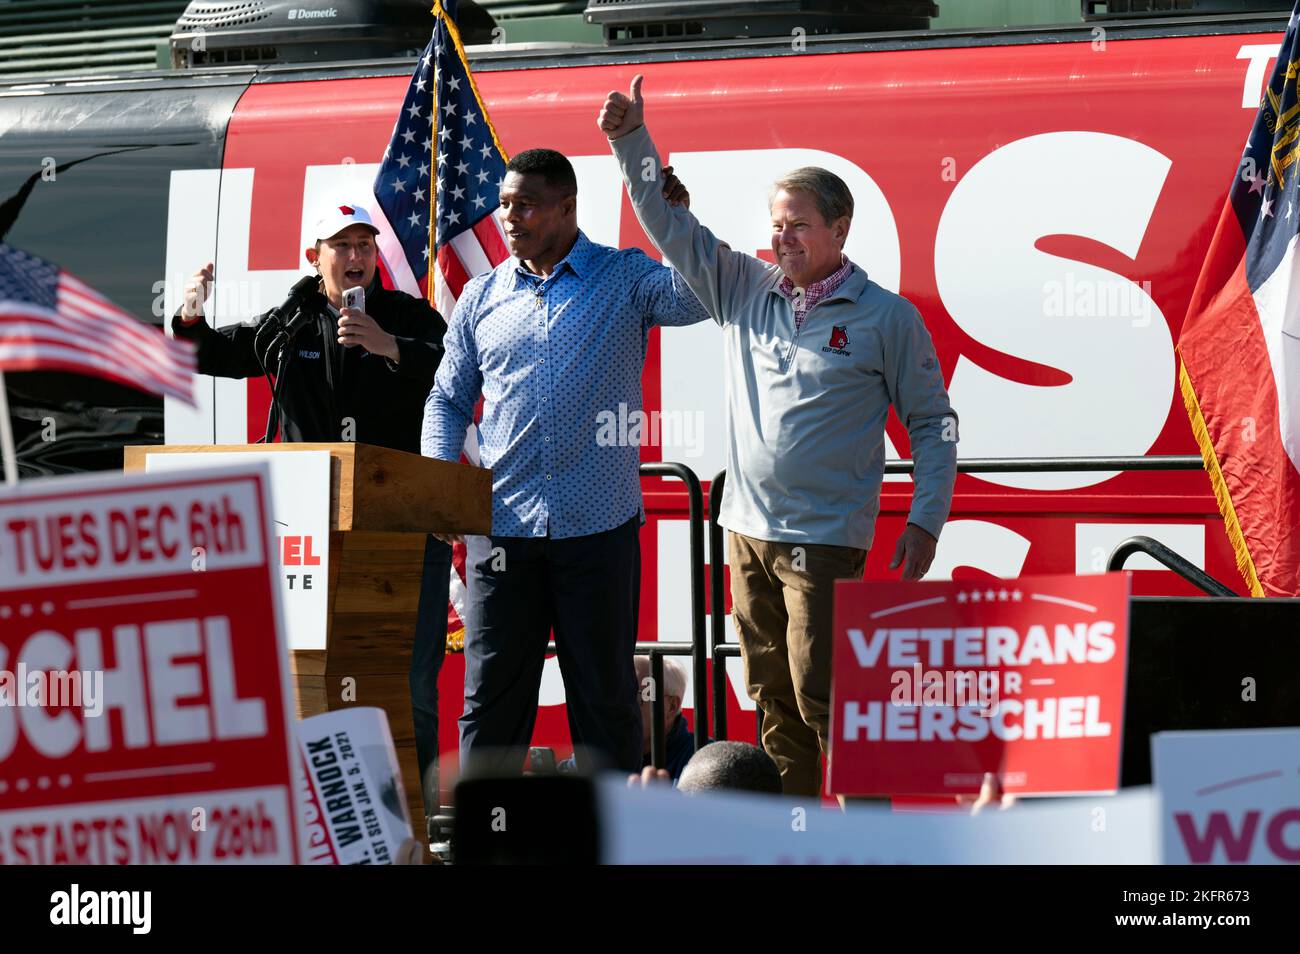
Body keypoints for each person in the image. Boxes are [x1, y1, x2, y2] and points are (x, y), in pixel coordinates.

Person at [600, 77, 959, 798]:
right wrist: (629, 140)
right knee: (770, 700)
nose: (780, 236)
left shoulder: (886, 318)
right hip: (745, 532)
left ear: (839, 231)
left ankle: (866, 837)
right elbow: (668, 228)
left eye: (797, 223)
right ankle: (794, 837)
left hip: (826, 538)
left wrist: (926, 520)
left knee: (826, 696)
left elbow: (933, 425)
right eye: (775, 223)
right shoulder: (742, 286)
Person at [422, 148, 711, 777]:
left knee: (605, 705)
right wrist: (441, 480)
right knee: (491, 705)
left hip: (599, 534)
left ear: (567, 207)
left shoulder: (623, 276)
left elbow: (697, 297)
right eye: (504, 204)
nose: (509, 217)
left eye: (524, 204)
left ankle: (615, 845)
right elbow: (446, 399)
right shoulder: (480, 296)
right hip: (504, 536)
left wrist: (678, 222)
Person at [173, 200, 453, 822]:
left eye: (365, 246)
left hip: (403, 532)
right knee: (318, 682)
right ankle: (326, 819)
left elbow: (457, 371)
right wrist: (189, 318)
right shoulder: (293, 320)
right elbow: (218, 354)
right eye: (343, 247)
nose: (357, 258)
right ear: (314, 257)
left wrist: (390, 347)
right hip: (315, 531)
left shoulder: (409, 315)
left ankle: (416, 822)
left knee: (409, 685)